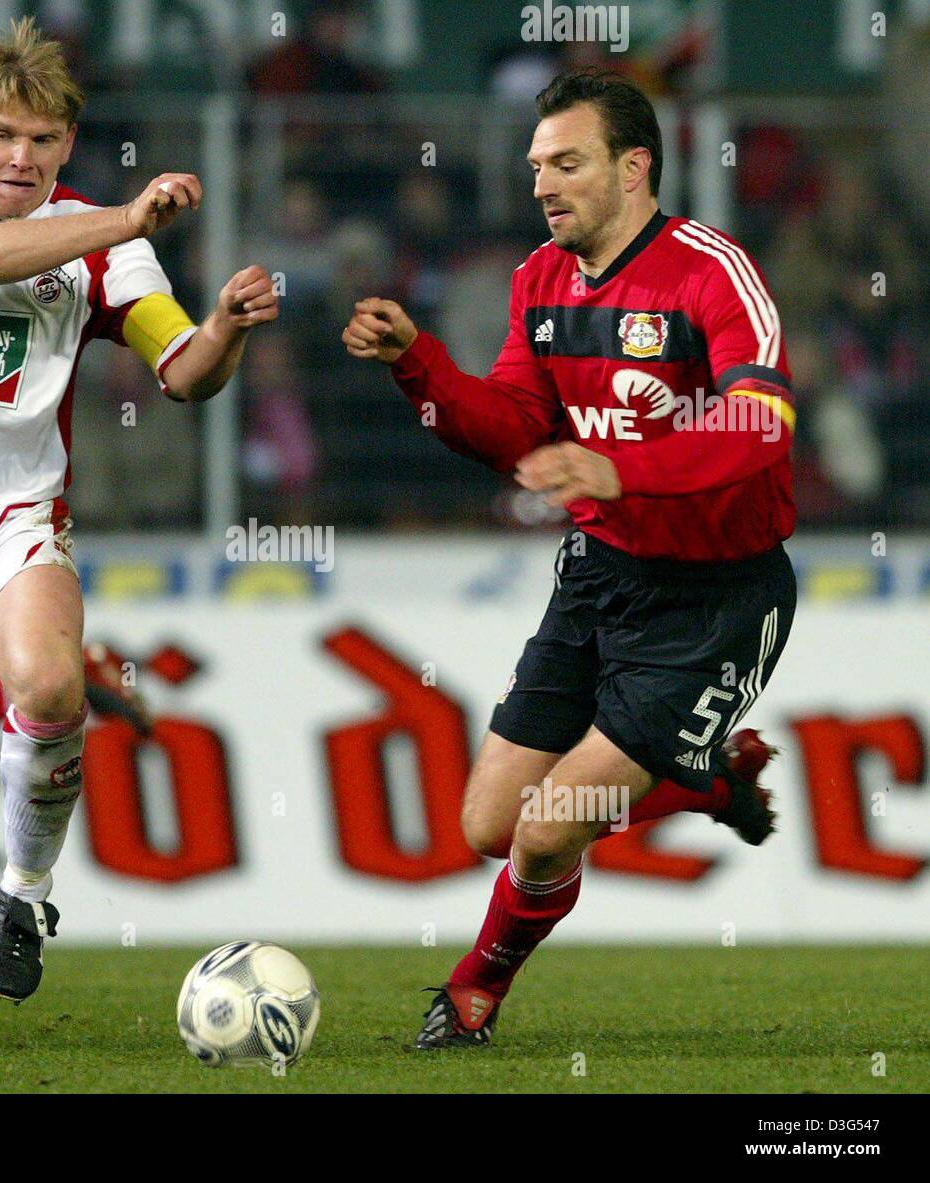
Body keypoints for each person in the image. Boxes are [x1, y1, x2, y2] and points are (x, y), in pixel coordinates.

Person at [0, 18, 277, 1050]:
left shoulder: (109, 251)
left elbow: (181, 376)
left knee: (52, 684)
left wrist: (223, 333)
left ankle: (27, 895)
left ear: (67, 142)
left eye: (41, 140)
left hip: (10, 520)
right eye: (2, 137)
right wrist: (124, 217)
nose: (19, 158)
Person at [342, 68, 797, 1049]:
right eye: (535, 164)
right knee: (488, 825)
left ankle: (471, 995)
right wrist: (418, 361)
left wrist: (620, 466)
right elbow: (509, 425)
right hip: (599, 579)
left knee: (550, 829)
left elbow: (761, 424)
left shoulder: (712, 273)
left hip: (715, 598)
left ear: (634, 167)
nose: (542, 183)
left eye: (566, 162)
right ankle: (708, 778)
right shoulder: (536, 283)